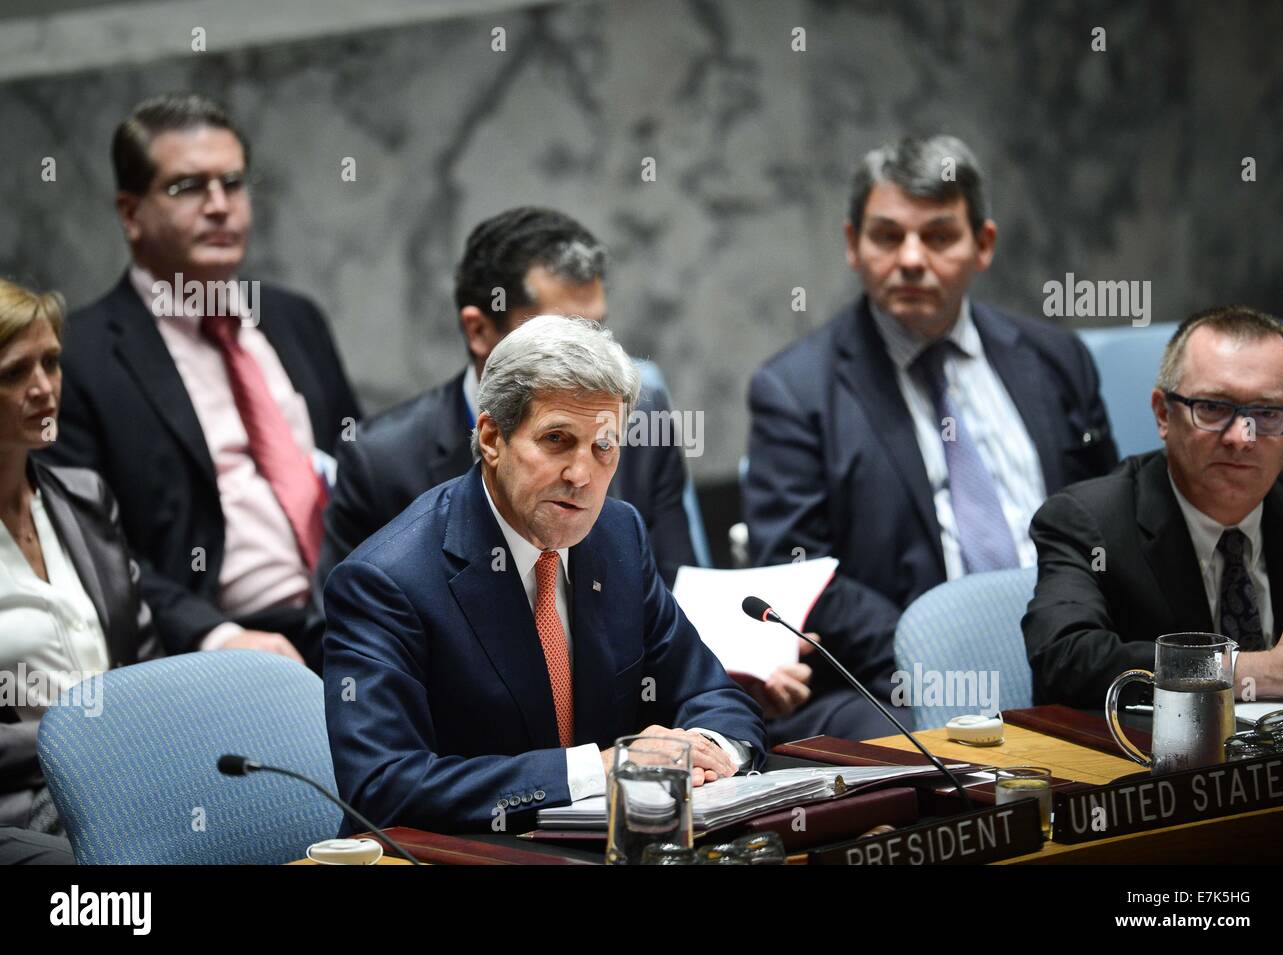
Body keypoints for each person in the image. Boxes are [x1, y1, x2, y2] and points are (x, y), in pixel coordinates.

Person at [324, 315, 764, 834]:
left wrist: (708, 749)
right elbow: (382, 787)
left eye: (604, 446)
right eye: (557, 439)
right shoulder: (385, 582)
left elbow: (713, 695)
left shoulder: (617, 534)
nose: (582, 474)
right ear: (491, 437)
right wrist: (599, 768)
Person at [743, 135, 1117, 741]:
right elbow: (800, 570)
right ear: (853, 245)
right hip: (904, 680)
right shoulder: (795, 391)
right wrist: (942, 654)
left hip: (1075, 655)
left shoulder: (1055, 359)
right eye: (888, 236)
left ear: (983, 245)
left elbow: (1107, 518)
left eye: (939, 236)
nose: (911, 258)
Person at [42, 93, 360, 669]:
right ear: (131, 213)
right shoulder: (77, 357)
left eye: (233, 183)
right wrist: (213, 636)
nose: (219, 205)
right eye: (187, 187)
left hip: (361, 609)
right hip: (223, 643)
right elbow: (90, 548)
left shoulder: (295, 318)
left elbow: (360, 469)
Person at [315, 206, 697, 598]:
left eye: (597, 329)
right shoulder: (382, 460)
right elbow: (344, 628)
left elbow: (681, 591)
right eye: (560, 336)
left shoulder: (641, 420)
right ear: (479, 330)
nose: (589, 355)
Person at [1023, 306, 1283, 707]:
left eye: (1268, 413)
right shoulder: (1088, 520)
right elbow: (1065, 659)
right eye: (1213, 407)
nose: (1242, 437)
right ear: (1162, 414)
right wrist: (1247, 672)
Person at [0, 279, 160, 864]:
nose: (44, 389)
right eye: (14, 373)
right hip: (20, 804)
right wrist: (82, 752)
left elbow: (145, 659)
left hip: (132, 774)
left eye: (52, 363)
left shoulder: (85, 497)